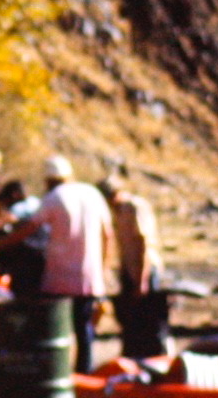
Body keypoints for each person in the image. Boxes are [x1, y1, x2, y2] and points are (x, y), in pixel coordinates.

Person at [24, 156, 116, 364]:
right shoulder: (92, 194)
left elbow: (29, 228)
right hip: (89, 278)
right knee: (84, 330)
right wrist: (105, 268)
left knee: (57, 330)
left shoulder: (53, 198)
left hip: (58, 279)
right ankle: (85, 372)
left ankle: (59, 370)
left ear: (48, 180)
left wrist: (1, 243)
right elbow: (107, 234)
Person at [105, 175, 171, 362]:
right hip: (129, 269)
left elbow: (144, 244)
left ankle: (155, 357)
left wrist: (142, 279)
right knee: (131, 319)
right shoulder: (118, 212)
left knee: (149, 318)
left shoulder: (135, 207)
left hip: (144, 269)